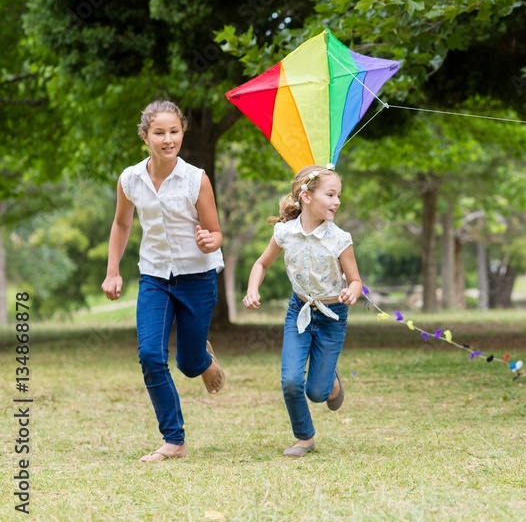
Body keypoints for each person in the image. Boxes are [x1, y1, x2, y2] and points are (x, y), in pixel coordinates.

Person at [101, 100, 226, 463]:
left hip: (197, 277)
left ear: (182, 132)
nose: (168, 139)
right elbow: (122, 224)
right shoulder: (130, 179)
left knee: (188, 363)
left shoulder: (195, 178)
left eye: (174, 132)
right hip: (155, 276)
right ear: (145, 136)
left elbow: (216, 232)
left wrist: (209, 240)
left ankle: (202, 357)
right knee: (151, 355)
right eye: (159, 133)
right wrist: (113, 271)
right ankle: (174, 440)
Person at [243, 165, 362, 458]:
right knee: (291, 381)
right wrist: (252, 288)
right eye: (330, 194)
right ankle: (304, 437)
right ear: (306, 196)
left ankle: (329, 380)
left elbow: (356, 280)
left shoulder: (339, 239)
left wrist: (352, 292)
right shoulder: (285, 233)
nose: (337, 201)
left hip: (332, 316)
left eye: (338, 196)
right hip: (299, 311)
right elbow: (261, 263)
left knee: (317, 393)